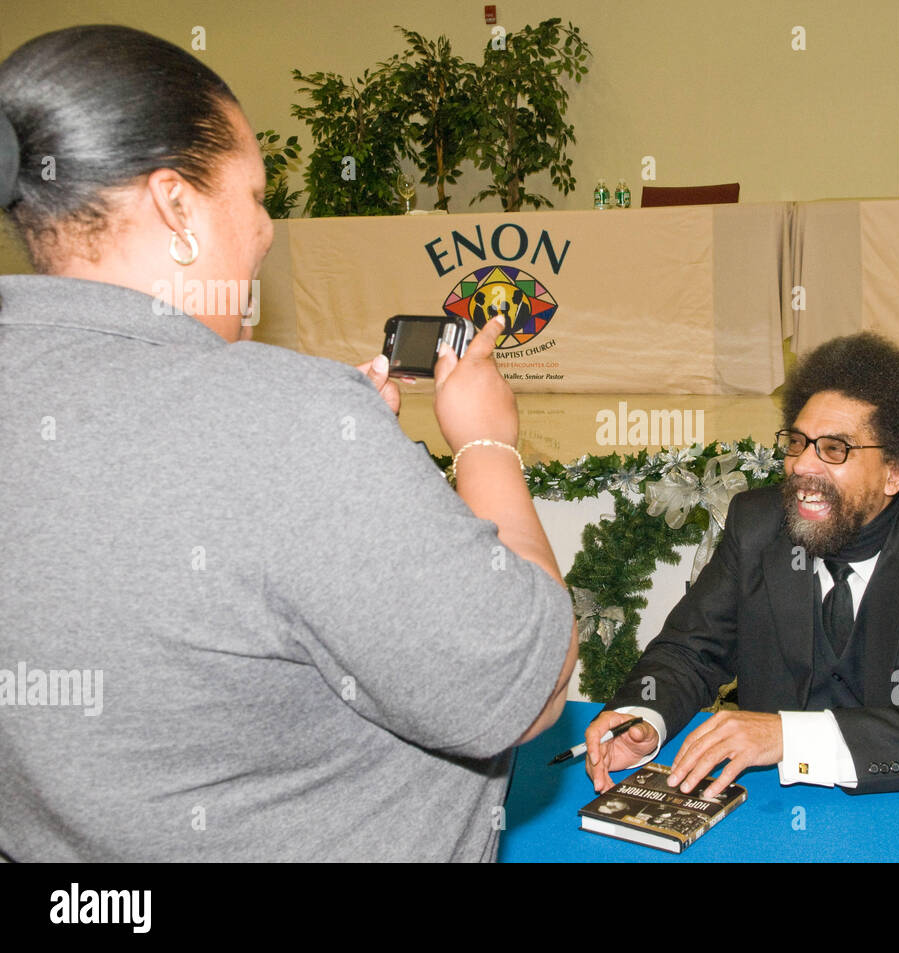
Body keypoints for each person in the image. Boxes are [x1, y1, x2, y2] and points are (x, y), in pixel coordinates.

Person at [0, 25, 576, 861]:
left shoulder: (286, 430)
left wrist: (341, 477)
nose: (267, 231)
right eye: (259, 195)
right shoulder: (287, 421)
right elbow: (526, 686)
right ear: (175, 204)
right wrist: (486, 443)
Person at [585, 333, 899, 800]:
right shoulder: (757, 526)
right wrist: (643, 716)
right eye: (798, 443)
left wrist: (787, 737)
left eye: (834, 449)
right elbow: (691, 651)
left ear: (895, 473)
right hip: (767, 806)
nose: (801, 466)